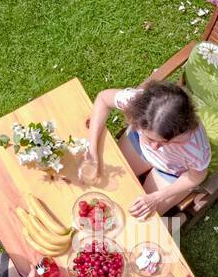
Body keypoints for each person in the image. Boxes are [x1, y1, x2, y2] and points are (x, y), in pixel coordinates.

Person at [79, 80, 210, 218]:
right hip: (138, 147)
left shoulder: (196, 148)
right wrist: (92, 149)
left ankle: (180, 219)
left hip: (172, 171)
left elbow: (196, 176)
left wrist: (157, 197)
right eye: (150, 138)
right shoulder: (140, 104)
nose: (154, 147)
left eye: (164, 142)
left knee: (137, 216)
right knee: (100, 181)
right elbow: (103, 99)